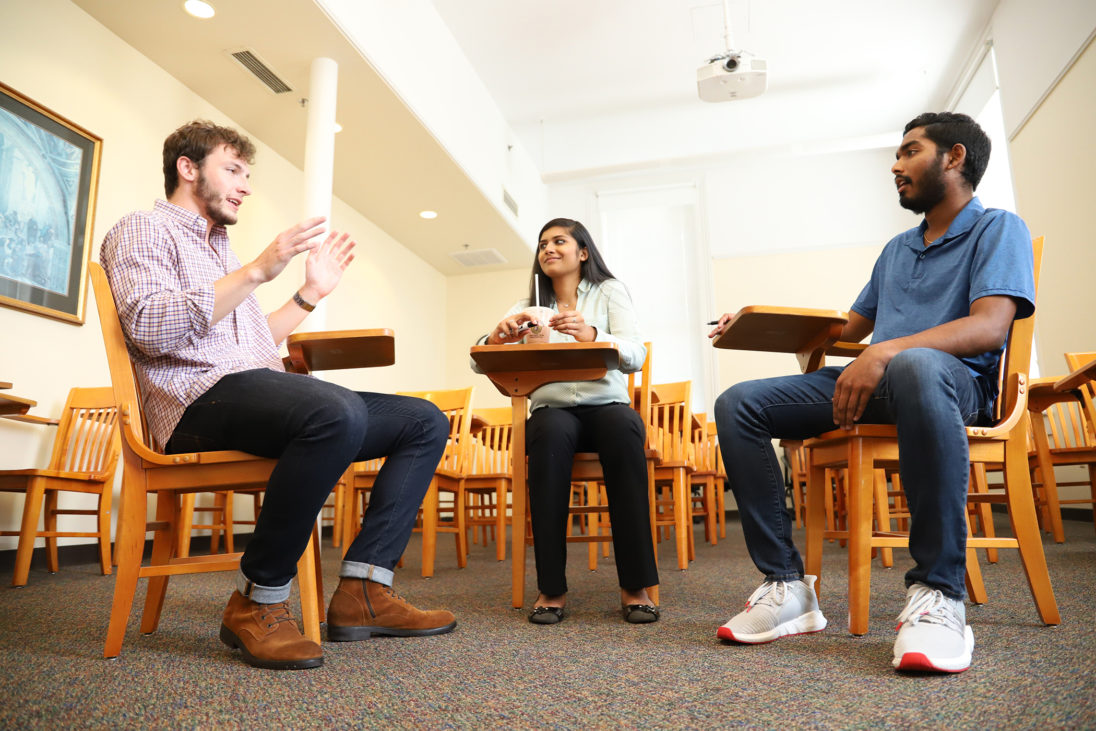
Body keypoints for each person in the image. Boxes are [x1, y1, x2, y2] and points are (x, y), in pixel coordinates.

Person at [100, 120, 457, 670]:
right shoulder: (144, 230)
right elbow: (150, 327)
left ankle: (364, 588)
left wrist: (308, 294)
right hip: (191, 404)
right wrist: (258, 270)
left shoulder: (222, 250)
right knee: (331, 410)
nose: (244, 185)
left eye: (247, 174)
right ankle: (257, 600)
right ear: (187, 168)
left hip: (242, 390)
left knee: (424, 420)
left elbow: (251, 345)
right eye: (233, 170)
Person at [709, 112, 1034, 673]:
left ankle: (939, 592)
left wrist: (884, 352)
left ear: (954, 157)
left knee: (914, 365)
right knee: (739, 403)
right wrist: (760, 319)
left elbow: (988, 327)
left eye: (910, 152)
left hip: (954, 385)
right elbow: (849, 330)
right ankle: (788, 587)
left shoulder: (999, 228)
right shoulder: (896, 249)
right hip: (884, 379)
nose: (896, 165)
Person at [476, 218, 660, 624]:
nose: (548, 249)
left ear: (583, 252)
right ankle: (551, 589)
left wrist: (592, 333)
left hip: (605, 403)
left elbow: (636, 354)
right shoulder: (526, 305)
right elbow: (480, 359)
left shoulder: (609, 292)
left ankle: (636, 585)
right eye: (543, 244)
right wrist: (496, 338)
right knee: (546, 435)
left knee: (624, 430)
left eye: (559, 241)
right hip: (551, 409)